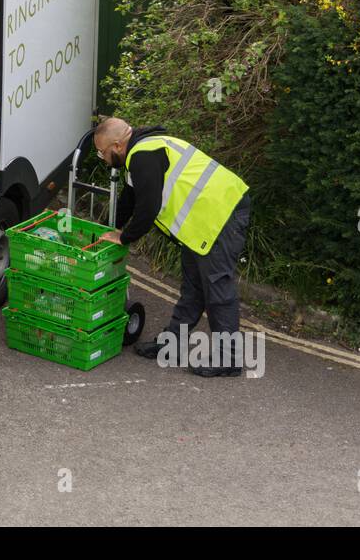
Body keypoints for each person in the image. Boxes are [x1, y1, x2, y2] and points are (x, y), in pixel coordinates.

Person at [92, 117, 252, 377]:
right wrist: (101, 230)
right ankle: (173, 345)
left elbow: (148, 208)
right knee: (193, 287)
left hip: (222, 214)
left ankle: (229, 360)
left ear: (118, 145)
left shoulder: (143, 156)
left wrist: (123, 237)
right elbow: (129, 201)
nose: (103, 158)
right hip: (204, 221)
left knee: (217, 289)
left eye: (103, 152)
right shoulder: (142, 151)